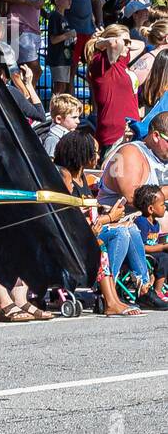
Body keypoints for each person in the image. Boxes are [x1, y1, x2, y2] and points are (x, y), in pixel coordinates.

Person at [54, 130, 142, 318]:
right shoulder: (65, 176)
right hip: (71, 236)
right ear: (80, 153)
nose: (98, 155)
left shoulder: (81, 175)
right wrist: (108, 218)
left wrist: (107, 215)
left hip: (88, 230)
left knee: (129, 230)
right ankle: (108, 298)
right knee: (115, 236)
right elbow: (67, 215)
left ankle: (123, 293)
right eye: (93, 151)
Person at [85, 26, 139, 156]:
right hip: (113, 137)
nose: (128, 46)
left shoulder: (121, 61)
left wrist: (125, 41)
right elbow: (116, 43)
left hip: (130, 131)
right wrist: (100, 42)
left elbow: (140, 45)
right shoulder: (100, 62)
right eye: (125, 42)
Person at [133, 184, 168, 302]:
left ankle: (162, 288)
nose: (165, 207)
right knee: (164, 257)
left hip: (153, 254)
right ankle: (157, 292)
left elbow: (155, 242)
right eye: (162, 205)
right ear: (151, 209)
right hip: (142, 255)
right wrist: (162, 248)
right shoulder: (141, 222)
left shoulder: (156, 223)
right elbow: (141, 247)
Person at [45, 0, 79, 97]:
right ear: (56, 1)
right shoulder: (55, 16)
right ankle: (53, 110)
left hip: (65, 58)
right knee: (59, 87)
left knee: (63, 86)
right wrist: (68, 35)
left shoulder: (64, 18)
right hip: (58, 58)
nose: (70, 1)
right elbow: (53, 40)